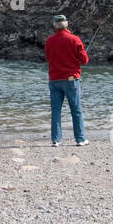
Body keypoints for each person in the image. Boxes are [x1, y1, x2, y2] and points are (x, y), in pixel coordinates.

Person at [44, 13, 88, 147]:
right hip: (70, 80)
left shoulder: (49, 41)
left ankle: (56, 140)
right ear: (66, 24)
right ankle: (80, 139)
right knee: (76, 110)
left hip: (54, 80)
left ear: (55, 25)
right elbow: (84, 60)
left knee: (56, 111)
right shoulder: (75, 39)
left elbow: (48, 58)